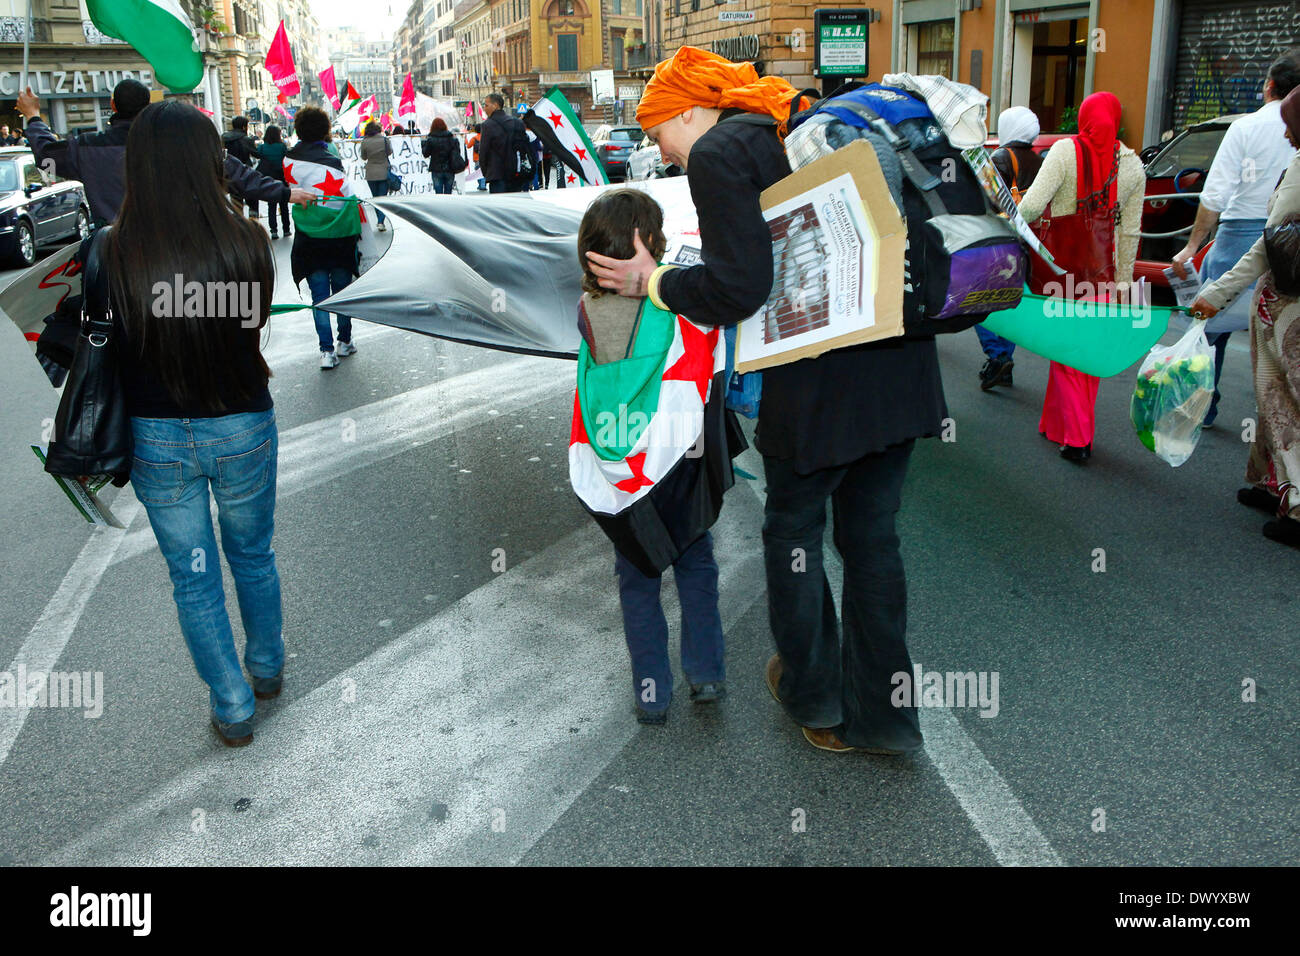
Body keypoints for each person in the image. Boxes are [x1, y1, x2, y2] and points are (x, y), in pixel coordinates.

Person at [585, 47, 947, 755]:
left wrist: (652, 283)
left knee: (795, 536)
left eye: (659, 132)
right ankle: (888, 718)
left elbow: (736, 289)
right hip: (902, 367)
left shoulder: (723, 151)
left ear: (690, 108)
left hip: (821, 392)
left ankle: (815, 695)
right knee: (873, 543)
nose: (663, 151)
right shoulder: (790, 120)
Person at [104, 100, 281, 747]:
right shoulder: (249, 242)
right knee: (253, 556)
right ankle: (266, 667)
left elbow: (107, 343)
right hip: (240, 422)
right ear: (212, 163)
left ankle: (232, 704)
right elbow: (249, 325)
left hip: (157, 436)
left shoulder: (112, 252)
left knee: (194, 577)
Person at [575, 190, 731, 724]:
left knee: (637, 575)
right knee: (696, 564)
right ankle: (706, 673)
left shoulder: (588, 311)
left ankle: (651, 692)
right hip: (676, 461)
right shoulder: (677, 300)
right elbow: (714, 327)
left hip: (623, 471)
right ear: (647, 243)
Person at [1189, 87, 1300, 549]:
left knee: (1283, 398)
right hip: (1281, 304)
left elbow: (1270, 243)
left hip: (1287, 306)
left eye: (1293, 125)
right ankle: (1268, 482)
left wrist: (1215, 293)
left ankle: (1295, 506)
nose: (1288, 134)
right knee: (1270, 393)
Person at [1172, 49, 1300, 427]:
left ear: (1270, 87)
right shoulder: (1291, 129)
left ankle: (1201, 406)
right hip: (1290, 243)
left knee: (1208, 328)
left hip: (1241, 236)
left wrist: (1193, 246)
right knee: (1279, 336)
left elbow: (1215, 195)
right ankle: (1275, 418)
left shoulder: (1245, 128)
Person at [1018, 91, 1145, 462]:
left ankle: (1077, 439)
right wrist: (1123, 284)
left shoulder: (1063, 152)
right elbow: (1130, 232)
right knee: (1085, 356)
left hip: (1064, 272)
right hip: (1104, 275)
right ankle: (1054, 422)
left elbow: (1029, 208)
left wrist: (1008, 217)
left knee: (1068, 353)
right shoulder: (1133, 166)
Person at [18, 79, 311, 228]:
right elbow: (238, 173)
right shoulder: (181, 140)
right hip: (183, 248)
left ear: (112, 105)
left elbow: (46, 159)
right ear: (148, 105)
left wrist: (33, 116)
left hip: (119, 256)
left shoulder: (87, 147)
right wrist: (286, 193)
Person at [288, 106, 362, 370]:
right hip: (339, 236)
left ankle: (326, 351)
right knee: (341, 291)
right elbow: (344, 196)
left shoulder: (289, 160)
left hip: (309, 237)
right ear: (325, 130)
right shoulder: (331, 157)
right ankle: (344, 341)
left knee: (319, 296)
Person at [977, 105, 1044, 390]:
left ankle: (997, 356)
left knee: (982, 300)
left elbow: (987, 198)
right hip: (1027, 244)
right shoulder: (1040, 161)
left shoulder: (1001, 157)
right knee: (1013, 302)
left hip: (1000, 240)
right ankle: (1004, 361)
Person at [250, 124, 291, 239]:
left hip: (268, 179)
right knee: (284, 205)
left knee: (271, 206)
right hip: (281, 178)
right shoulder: (282, 147)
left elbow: (258, 156)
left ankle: (274, 231)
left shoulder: (262, 147)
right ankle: (286, 229)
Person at [479, 93, 522, 193]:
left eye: (486, 105)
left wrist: (487, 173)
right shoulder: (516, 122)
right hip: (515, 173)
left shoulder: (487, 125)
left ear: (496, 105)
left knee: (499, 206)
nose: (484, 108)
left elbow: (483, 152)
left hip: (496, 174)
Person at [223, 116, 259, 216]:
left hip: (230, 174)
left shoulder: (224, 138)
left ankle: (239, 225)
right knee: (252, 201)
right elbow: (257, 154)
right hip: (245, 173)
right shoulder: (246, 139)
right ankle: (254, 225)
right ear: (244, 127)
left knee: (236, 203)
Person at [360, 120, 392, 231]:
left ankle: (380, 220)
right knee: (383, 197)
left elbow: (363, 157)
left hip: (371, 173)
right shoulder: (384, 140)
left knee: (375, 198)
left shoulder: (365, 141)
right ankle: (380, 221)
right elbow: (390, 152)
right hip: (383, 171)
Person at [421, 118, 460, 194]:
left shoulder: (431, 139)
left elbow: (426, 154)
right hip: (450, 168)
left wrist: (423, 143)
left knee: (438, 194)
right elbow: (457, 152)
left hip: (436, 169)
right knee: (448, 192)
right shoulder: (452, 139)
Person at [466, 123, 485, 190]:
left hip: (476, 158)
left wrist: (465, 140)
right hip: (485, 157)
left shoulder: (474, 138)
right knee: (483, 171)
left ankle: (481, 185)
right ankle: (483, 184)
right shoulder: (485, 137)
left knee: (478, 172)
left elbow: (468, 146)